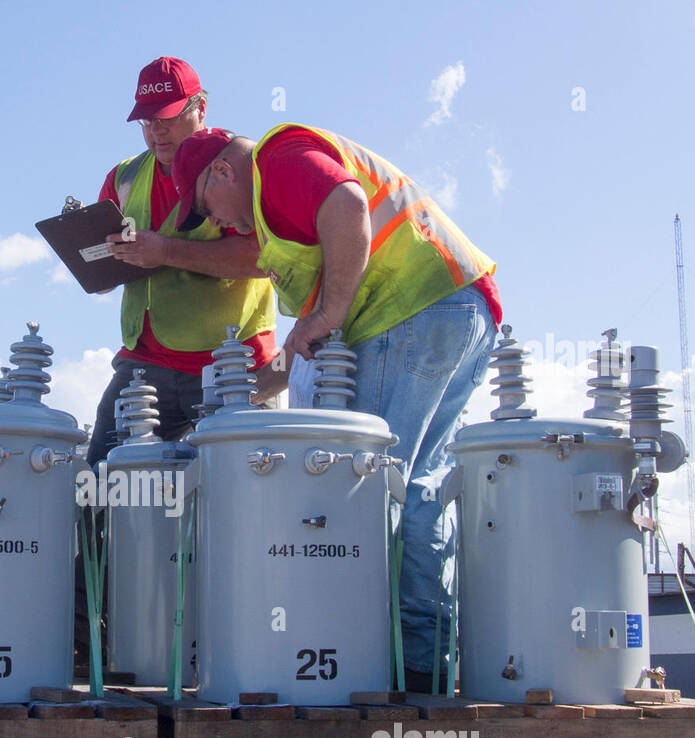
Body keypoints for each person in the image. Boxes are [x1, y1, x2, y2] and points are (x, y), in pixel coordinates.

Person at [170, 123, 504, 691]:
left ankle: (366, 659)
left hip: (412, 312)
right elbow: (308, 340)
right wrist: (250, 392)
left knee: (364, 492)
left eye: (207, 209)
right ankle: (422, 665)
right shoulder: (284, 213)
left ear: (222, 171)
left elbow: (348, 206)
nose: (218, 224)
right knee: (412, 487)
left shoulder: (275, 161)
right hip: (459, 308)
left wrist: (329, 315)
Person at [85, 57, 277, 466]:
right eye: (147, 121)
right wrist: (97, 267)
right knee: (102, 480)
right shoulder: (124, 177)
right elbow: (102, 273)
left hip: (233, 368)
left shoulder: (239, 166)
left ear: (201, 109)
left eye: (168, 118)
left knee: (245, 493)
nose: (157, 131)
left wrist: (166, 251)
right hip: (144, 364)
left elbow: (265, 257)